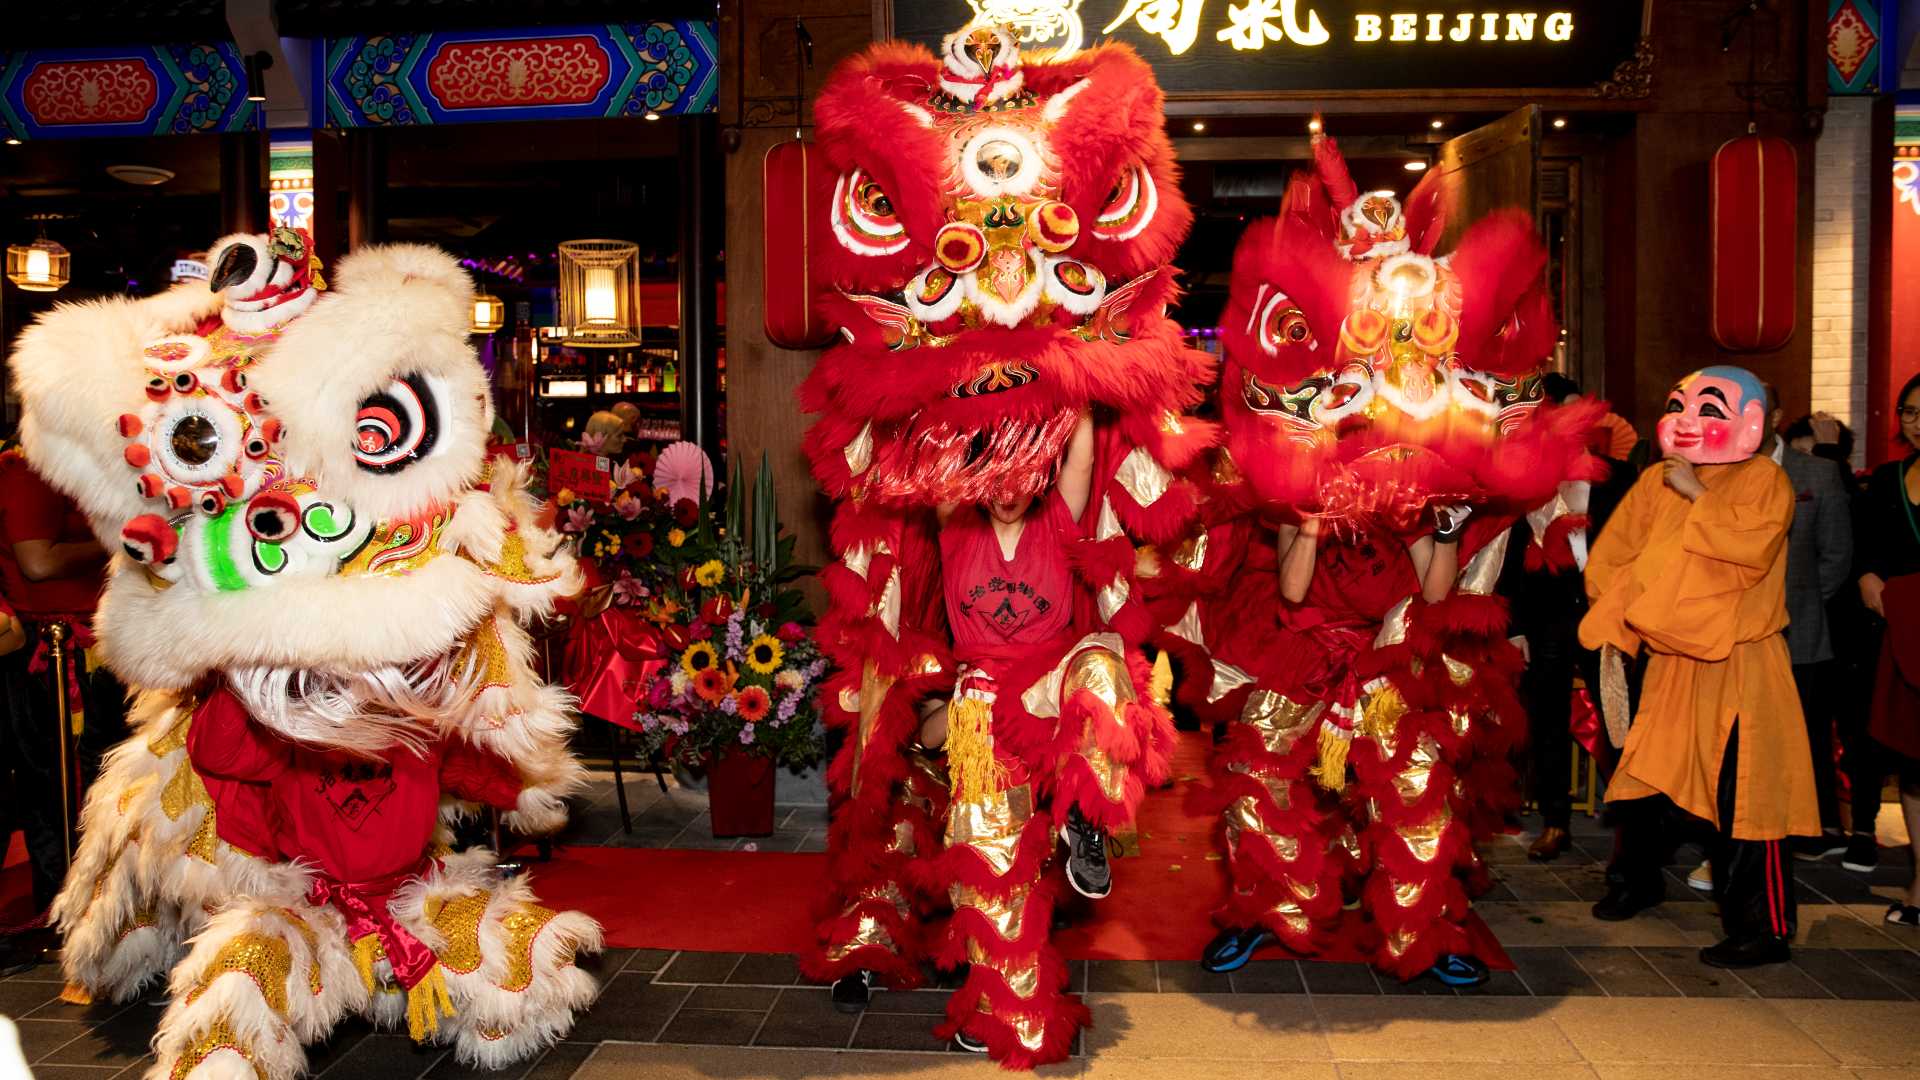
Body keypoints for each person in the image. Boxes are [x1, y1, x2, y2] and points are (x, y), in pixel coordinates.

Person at [1582, 365, 1816, 969]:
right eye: (1678, 405)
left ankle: (1761, 930)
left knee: (1745, 800)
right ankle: (1636, 881)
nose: (1687, 418)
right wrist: (1629, 616)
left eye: (1707, 408)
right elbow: (1613, 556)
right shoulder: (1656, 481)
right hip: (1665, 662)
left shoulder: (1765, 480)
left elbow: (1751, 549)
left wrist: (1697, 495)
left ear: (1752, 424)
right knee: (1644, 783)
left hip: (1739, 666)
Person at [0, 446, 114, 968]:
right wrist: (113, 543)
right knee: (60, 786)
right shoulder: (27, 470)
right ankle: (65, 907)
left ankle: (83, 906)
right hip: (55, 650)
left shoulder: (62, 466)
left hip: (81, 642)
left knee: (79, 780)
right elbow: (38, 561)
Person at [1757, 391, 1855, 863]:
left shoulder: (1817, 473)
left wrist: (1806, 605)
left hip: (1800, 631)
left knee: (1801, 735)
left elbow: (1836, 557)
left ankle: (1801, 825)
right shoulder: (1713, 473)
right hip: (1735, 635)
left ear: (1774, 415)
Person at [1848, 373, 1920, 915]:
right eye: (1910, 411)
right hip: (1901, 636)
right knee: (1913, 765)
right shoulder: (1891, 477)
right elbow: (1866, 548)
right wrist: (1869, 578)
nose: (1917, 422)